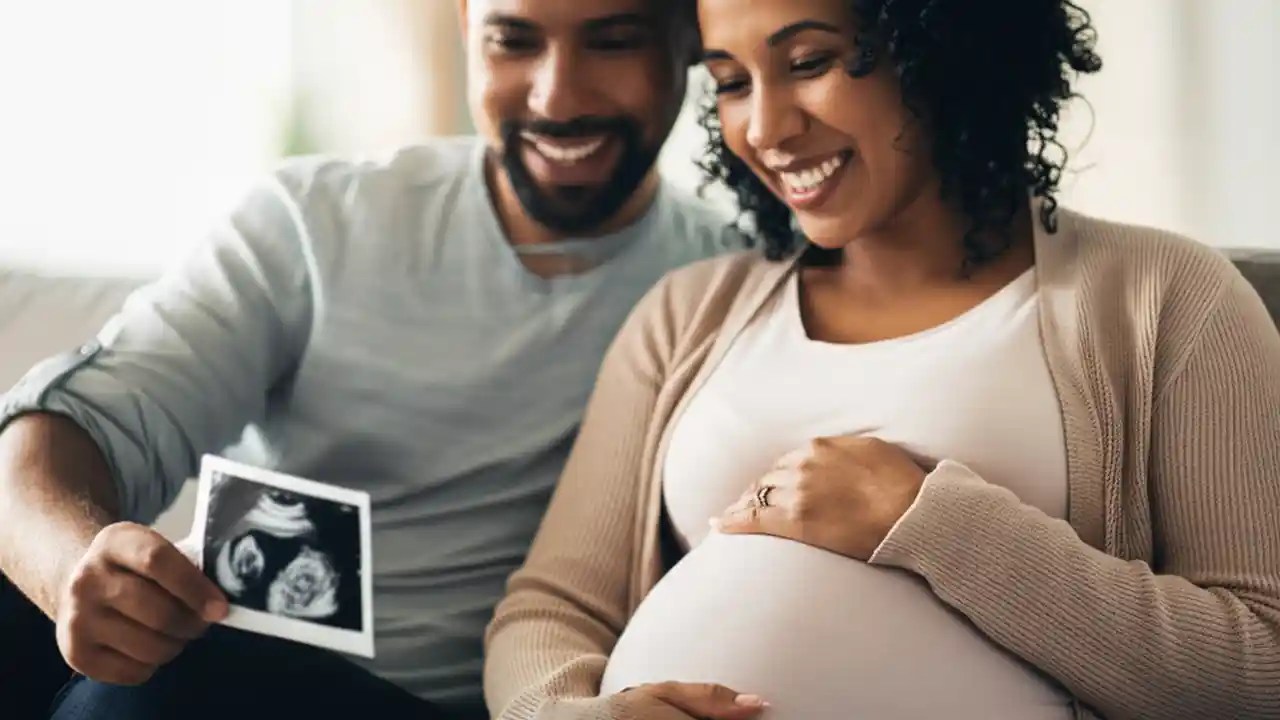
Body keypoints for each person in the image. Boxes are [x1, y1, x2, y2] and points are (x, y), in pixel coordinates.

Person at [482, 0, 1280, 718]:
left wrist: (930, 523)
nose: (765, 128)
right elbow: (551, 609)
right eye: (731, 82)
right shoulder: (686, 315)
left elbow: (1263, 666)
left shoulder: (1164, 297)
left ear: (943, 50)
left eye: (809, 63)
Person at [0, 1, 731, 718]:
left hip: (467, 697)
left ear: (688, 40)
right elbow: (64, 433)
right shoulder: (317, 221)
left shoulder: (737, 287)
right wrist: (75, 574)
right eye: (513, 41)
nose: (556, 98)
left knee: (152, 698)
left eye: (613, 42)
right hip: (236, 659)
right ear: (467, 28)